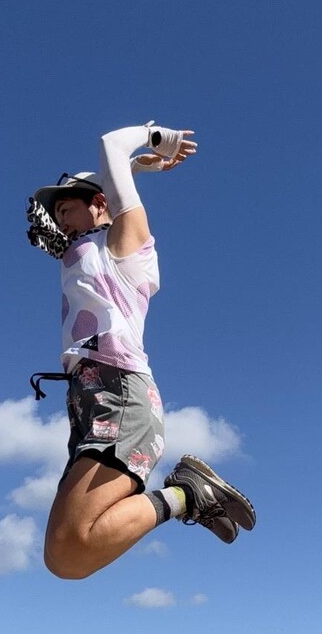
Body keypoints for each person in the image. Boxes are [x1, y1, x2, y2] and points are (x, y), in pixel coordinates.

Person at [26, 122, 255, 580]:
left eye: (67, 210)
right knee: (66, 555)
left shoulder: (126, 244)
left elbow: (111, 142)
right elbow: (108, 179)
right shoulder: (88, 249)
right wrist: (135, 168)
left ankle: (189, 494)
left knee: (71, 552)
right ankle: (184, 495)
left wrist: (154, 138)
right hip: (93, 398)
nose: (60, 222)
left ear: (100, 205)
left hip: (120, 391)